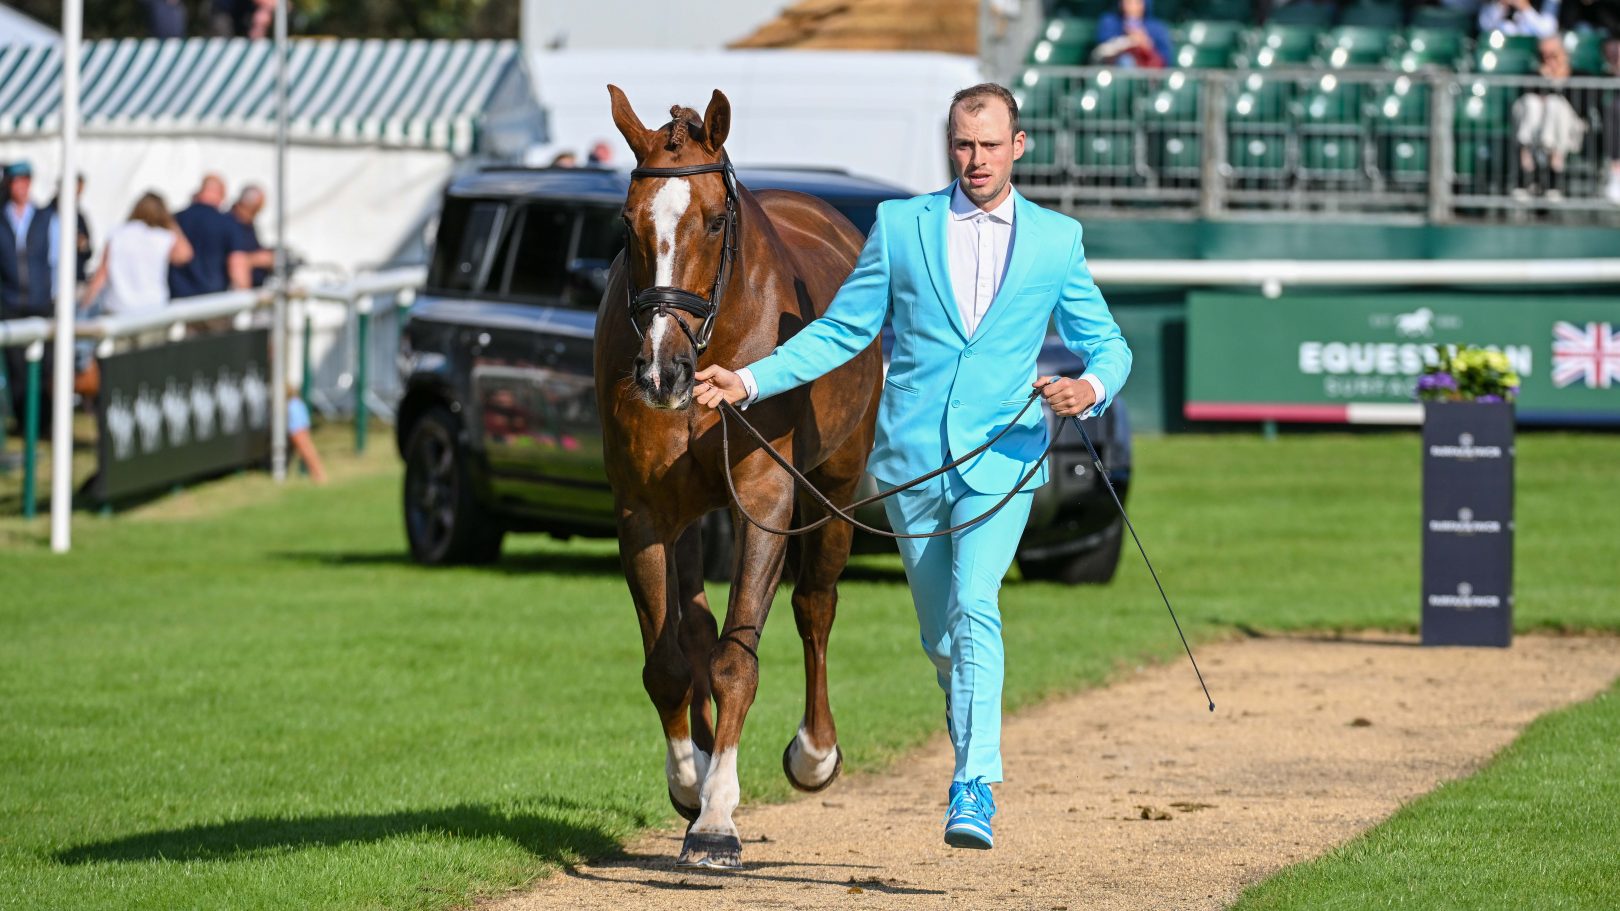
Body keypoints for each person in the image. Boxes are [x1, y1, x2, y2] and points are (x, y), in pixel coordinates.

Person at [693, 83, 1131, 851]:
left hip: (1004, 457)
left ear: (1018, 147)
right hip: (910, 465)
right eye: (963, 144)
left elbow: (1111, 346)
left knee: (974, 604)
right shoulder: (901, 227)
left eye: (991, 145)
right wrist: (750, 378)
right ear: (949, 144)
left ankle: (974, 783)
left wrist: (1087, 387)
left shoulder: (1056, 241)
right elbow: (844, 331)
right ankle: (966, 722)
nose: (976, 160)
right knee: (941, 637)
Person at [0, 161, 59, 429]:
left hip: (40, 302)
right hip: (11, 303)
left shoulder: (46, 218)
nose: (20, 187)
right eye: (15, 182)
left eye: (24, 181)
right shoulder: (3, 217)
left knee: (46, 367)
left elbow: (55, 260)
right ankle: (24, 422)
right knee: (16, 369)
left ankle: (44, 421)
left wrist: (55, 296)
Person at [81, 192, 194, 318]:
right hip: (152, 308)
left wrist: (86, 302)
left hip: (118, 307)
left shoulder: (117, 234)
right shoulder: (162, 237)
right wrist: (170, 222)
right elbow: (185, 255)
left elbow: (102, 272)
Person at [1510, 35, 1585, 201]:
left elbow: (1581, 109)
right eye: (1544, 55)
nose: (1549, 60)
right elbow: (1522, 103)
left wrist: (1554, 84)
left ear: (1564, 54)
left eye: (1554, 55)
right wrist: (1544, 79)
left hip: (1567, 130)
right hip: (1535, 132)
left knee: (1553, 103)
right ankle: (1527, 170)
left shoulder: (1580, 75)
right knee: (1531, 102)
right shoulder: (1533, 75)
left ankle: (1552, 175)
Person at [170, 174, 244, 298]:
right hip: (212, 302)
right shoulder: (227, 222)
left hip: (178, 302)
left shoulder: (175, 219)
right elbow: (237, 262)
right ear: (221, 194)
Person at [1095, 0, 1173, 68]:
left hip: (1148, 77)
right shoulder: (1110, 22)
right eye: (1128, 2)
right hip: (1117, 77)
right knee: (1126, 61)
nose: (1132, 7)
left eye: (1137, 2)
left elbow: (1165, 60)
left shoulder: (1157, 28)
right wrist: (1128, 40)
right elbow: (1102, 52)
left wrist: (1146, 44)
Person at [227, 185, 275, 289]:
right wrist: (258, 259)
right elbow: (237, 260)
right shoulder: (230, 223)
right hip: (238, 294)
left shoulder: (248, 225)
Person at [48, 173, 92, 285]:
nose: (77, 196)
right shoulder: (47, 215)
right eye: (75, 191)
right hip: (51, 281)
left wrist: (82, 244)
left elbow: (89, 251)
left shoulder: (79, 217)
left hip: (75, 278)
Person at [1479, 0, 1560, 36]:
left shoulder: (1549, 2)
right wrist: (1501, 5)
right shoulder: (1496, 4)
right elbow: (1484, 26)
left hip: (1533, 54)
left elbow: (1548, 31)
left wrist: (1525, 8)